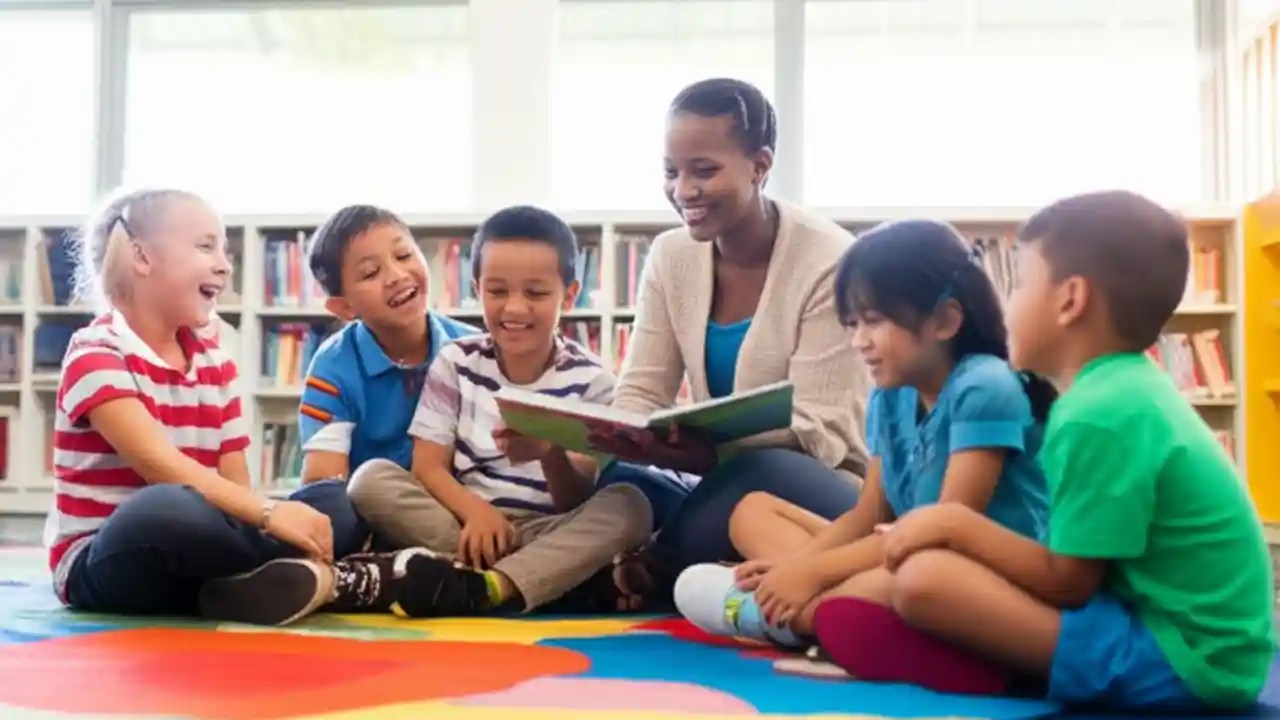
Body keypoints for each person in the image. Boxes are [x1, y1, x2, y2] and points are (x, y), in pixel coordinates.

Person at [812, 191, 1275, 711]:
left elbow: (1069, 583)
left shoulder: (1101, 413)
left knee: (924, 580)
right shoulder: (1118, 392)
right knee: (912, 580)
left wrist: (951, 525)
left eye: (1022, 285)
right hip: (1182, 635)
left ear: (1070, 300)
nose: (1008, 303)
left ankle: (995, 667)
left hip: (1190, 660)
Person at [46, 189, 423, 628]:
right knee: (166, 507)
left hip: (202, 545)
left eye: (225, 250)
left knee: (339, 501)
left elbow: (236, 487)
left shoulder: (214, 360)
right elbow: (161, 466)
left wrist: (273, 517)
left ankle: (240, 585)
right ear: (141, 257)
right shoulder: (95, 352)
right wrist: (271, 515)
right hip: (111, 555)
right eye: (206, 247)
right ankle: (306, 575)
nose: (225, 264)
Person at [675, 219, 1053, 647]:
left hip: (966, 572)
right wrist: (798, 567)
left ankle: (774, 615)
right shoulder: (890, 396)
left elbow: (946, 533)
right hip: (899, 550)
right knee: (753, 511)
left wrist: (810, 573)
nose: (858, 341)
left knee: (887, 587)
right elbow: (869, 514)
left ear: (945, 321)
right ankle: (792, 606)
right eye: (851, 324)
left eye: (872, 321)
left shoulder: (985, 387)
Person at [589, 78, 872, 607]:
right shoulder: (671, 257)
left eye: (704, 170)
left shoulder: (830, 261)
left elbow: (822, 433)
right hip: (713, 481)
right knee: (619, 482)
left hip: (817, 486)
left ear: (760, 165)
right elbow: (643, 389)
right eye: (671, 172)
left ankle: (652, 566)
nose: (683, 191)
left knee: (757, 471)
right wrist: (621, 433)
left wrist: (709, 452)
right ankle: (682, 567)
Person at [344, 205, 653, 616]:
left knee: (630, 504)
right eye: (498, 291)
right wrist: (478, 513)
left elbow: (574, 499)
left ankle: (490, 584)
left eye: (536, 293)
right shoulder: (456, 361)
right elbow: (428, 467)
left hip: (549, 527)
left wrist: (550, 452)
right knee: (369, 479)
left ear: (570, 295)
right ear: (477, 288)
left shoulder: (593, 380)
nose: (515, 309)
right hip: (465, 524)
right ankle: (550, 579)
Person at [297, 204, 477, 485]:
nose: (396, 275)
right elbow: (324, 480)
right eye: (370, 273)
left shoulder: (473, 350)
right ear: (344, 307)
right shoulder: (332, 367)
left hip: (463, 504)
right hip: (372, 509)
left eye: (404, 255)